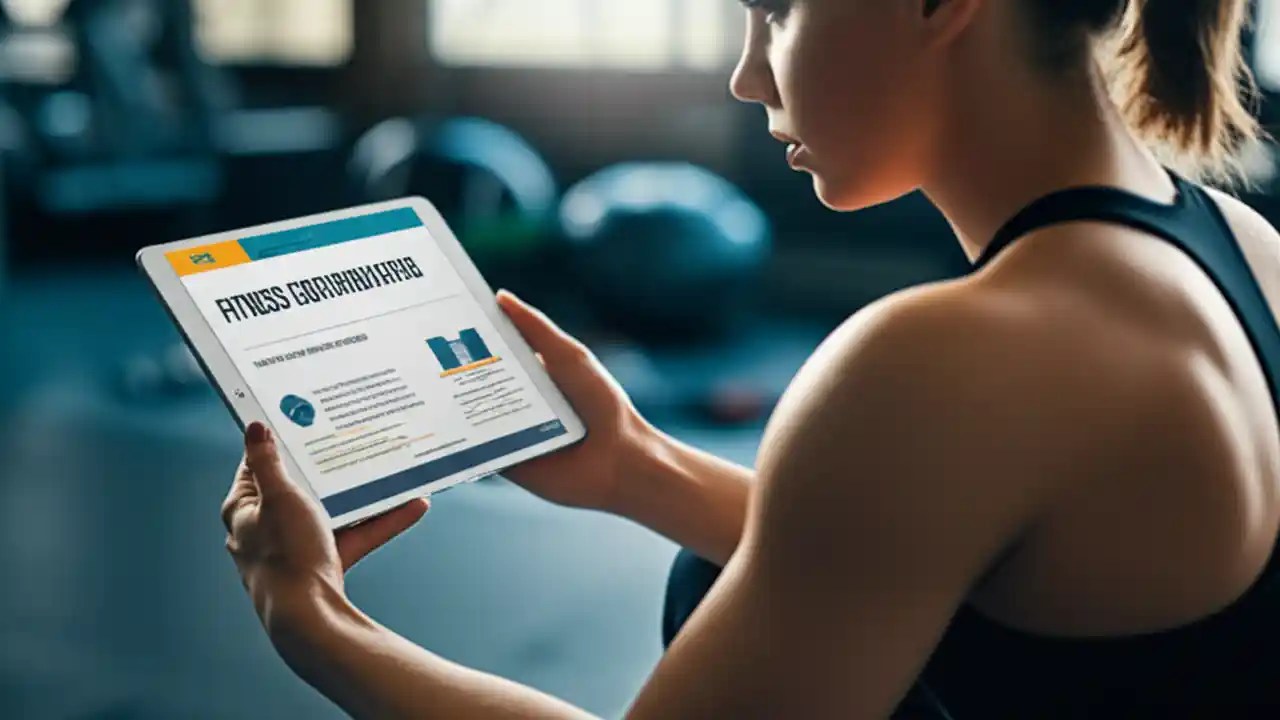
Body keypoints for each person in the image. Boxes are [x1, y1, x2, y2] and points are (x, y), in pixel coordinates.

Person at [220, 0, 1280, 716]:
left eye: (777, 9)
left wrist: (310, 616)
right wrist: (636, 465)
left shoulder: (947, 361)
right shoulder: (1237, 246)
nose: (743, 74)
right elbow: (953, 574)